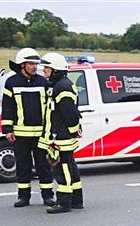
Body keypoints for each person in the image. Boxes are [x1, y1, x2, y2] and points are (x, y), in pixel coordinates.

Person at [1, 48, 54, 208]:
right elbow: (8, 107)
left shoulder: (43, 82)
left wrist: (50, 130)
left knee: (43, 167)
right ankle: (23, 197)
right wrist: (8, 129)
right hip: (20, 134)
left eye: (36, 64)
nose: (34, 67)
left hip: (40, 134)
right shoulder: (11, 83)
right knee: (23, 167)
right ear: (22, 64)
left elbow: (50, 107)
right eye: (31, 64)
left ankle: (48, 196)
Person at [38, 52, 83, 213]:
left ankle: (64, 202)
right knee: (69, 167)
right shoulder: (57, 85)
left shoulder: (62, 87)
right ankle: (76, 200)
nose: (44, 72)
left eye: (47, 69)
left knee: (62, 169)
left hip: (61, 137)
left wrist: (71, 132)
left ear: (56, 70)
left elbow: (69, 114)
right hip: (59, 135)